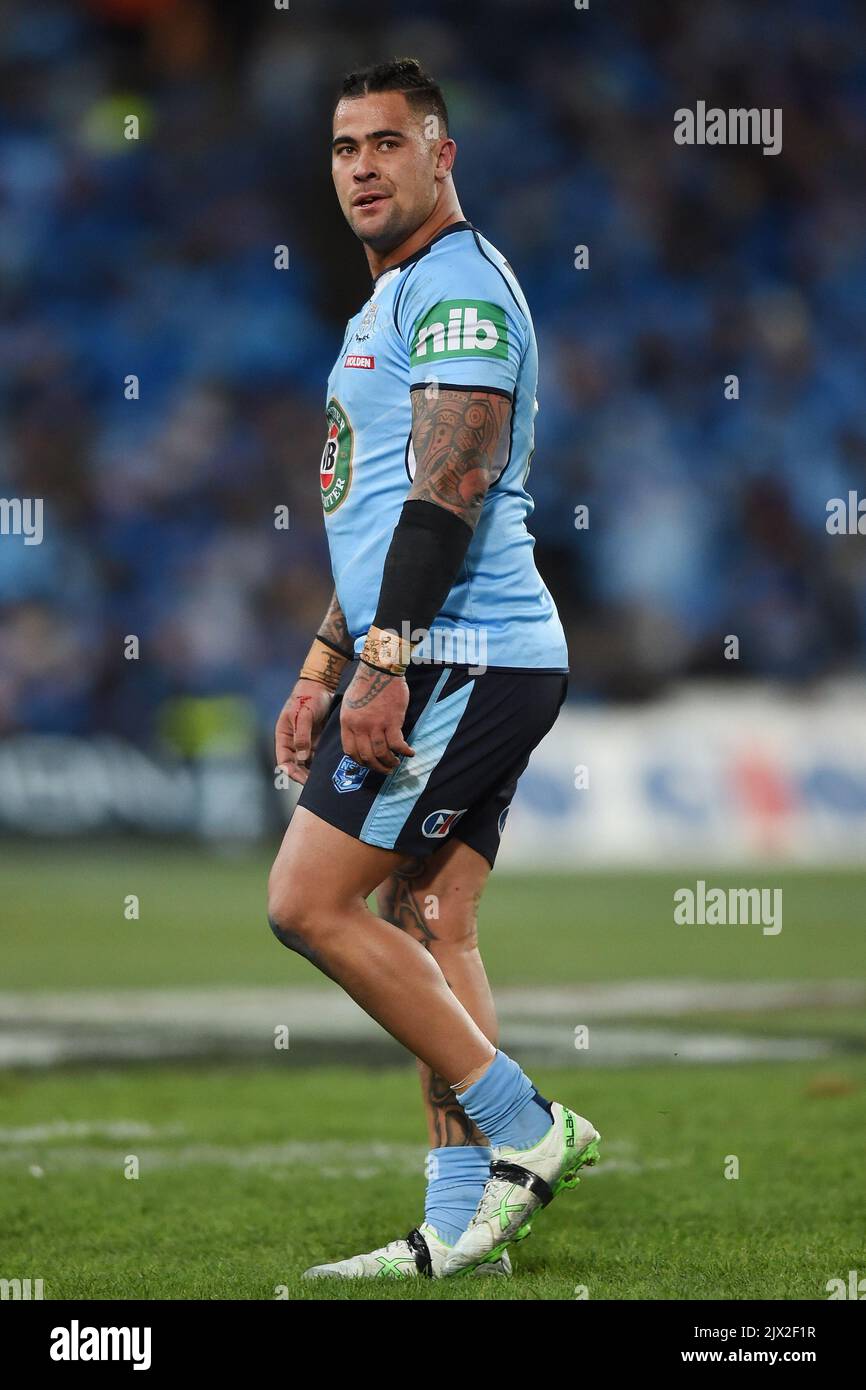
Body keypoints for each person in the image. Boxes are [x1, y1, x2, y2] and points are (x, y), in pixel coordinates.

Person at [268, 57, 600, 1281]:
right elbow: (378, 518)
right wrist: (323, 660)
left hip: (464, 653)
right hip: (457, 650)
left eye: (387, 143)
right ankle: (465, 1221)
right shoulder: (391, 296)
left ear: (440, 154)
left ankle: (526, 1130)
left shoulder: (455, 287)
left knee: (305, 902)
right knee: (429, 915)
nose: (361, 165)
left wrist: (385, 660)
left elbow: (450, 490)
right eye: (345, 145)